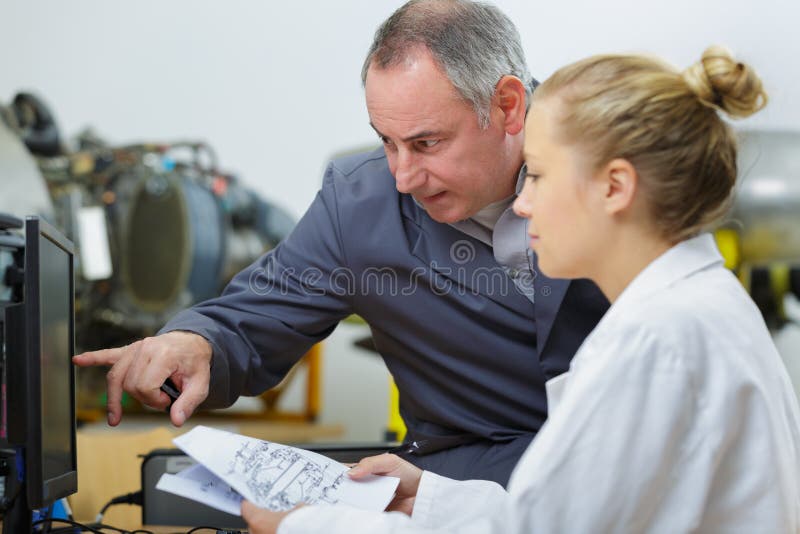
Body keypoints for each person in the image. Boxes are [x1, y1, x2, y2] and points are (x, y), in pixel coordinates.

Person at [239, 46, 800, 533]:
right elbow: (564, 515)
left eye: (537, 174)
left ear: (614, 187)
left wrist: (312, 526)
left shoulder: (653, 341)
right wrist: (428, 499)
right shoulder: (698, 307)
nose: (523, 203)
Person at [72, 0, 609, 486]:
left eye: (426, 143)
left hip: (629, 475)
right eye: (386, 141)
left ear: (509, 106)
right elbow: (253, 318)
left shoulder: (621, 167)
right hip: (460, 483)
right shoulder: (358, 204)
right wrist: (198, 342)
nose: (402, 176)